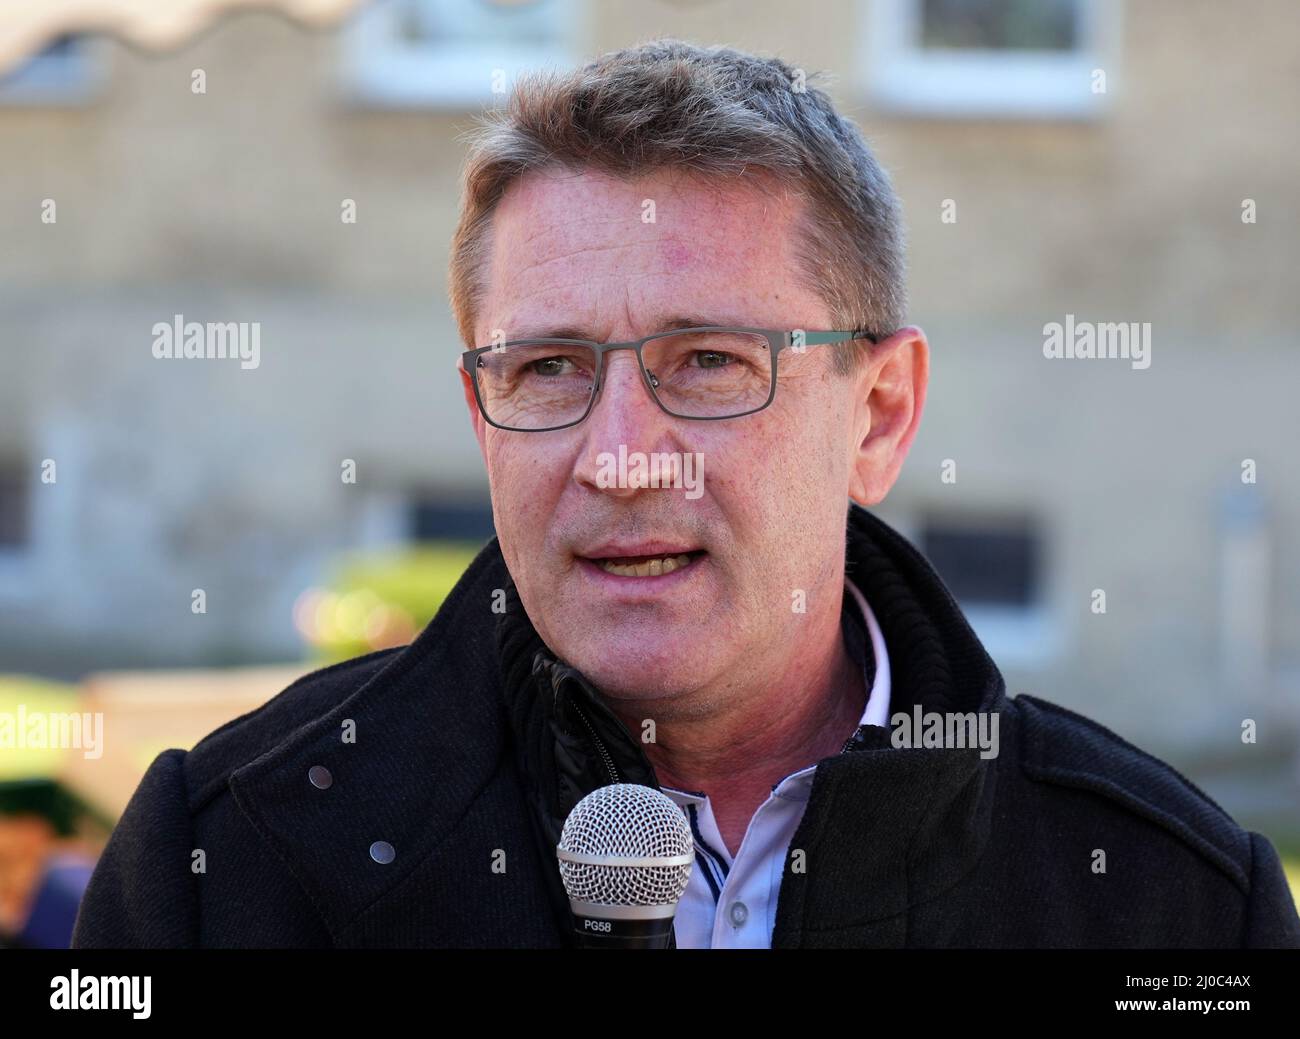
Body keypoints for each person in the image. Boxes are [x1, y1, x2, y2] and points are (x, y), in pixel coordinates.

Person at [72, 38, 1300, 949]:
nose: (620, 456)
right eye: (547, 369)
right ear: (478, 416)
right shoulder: (230, 861)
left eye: (706, 361)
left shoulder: (1166, 906)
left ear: (878, 414)